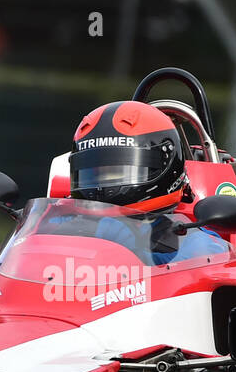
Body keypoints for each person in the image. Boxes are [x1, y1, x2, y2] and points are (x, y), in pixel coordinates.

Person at [64, 99, 225, 265]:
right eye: (95, 172)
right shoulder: (61, 223)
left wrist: (132, 250)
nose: (103, 183)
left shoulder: (197, 245)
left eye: (116, 171)